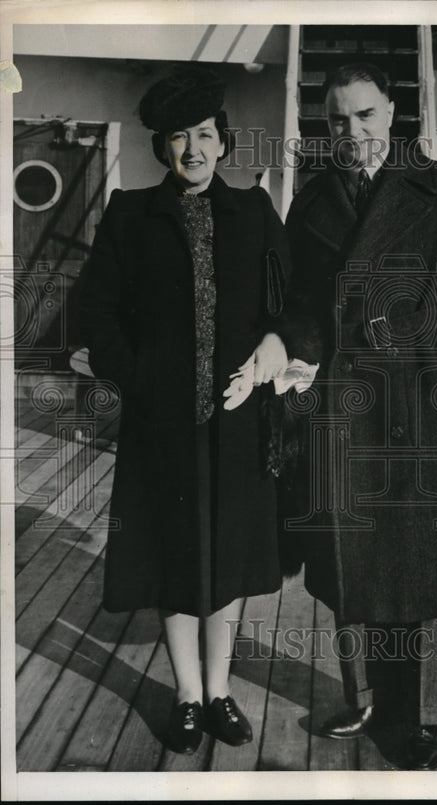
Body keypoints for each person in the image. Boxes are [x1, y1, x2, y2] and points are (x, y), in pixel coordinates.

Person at [281, 63, 437, 770]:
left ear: (393, 112)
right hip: (349, 406)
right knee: (359, 564)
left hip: (423, 403)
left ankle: (414, 716)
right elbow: (299, 301)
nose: (352, 133)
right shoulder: (312, 201)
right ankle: (374, 700)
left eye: (365, 115)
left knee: (421, 567)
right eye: (338, 120)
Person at [79, 64, 289, 754]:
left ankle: (221, 687)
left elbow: (292, 304)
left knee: (225, 558)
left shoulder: (255, 213)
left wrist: (272, 344)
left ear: (224, 143)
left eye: (205, 135)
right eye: (178, 138)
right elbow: (95, 310)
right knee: (175, 557)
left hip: (235, 423)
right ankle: (189, 696)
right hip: (162, 426)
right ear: (162, 148)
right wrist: (137, 377)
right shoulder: (131, 215)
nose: (193, 150)